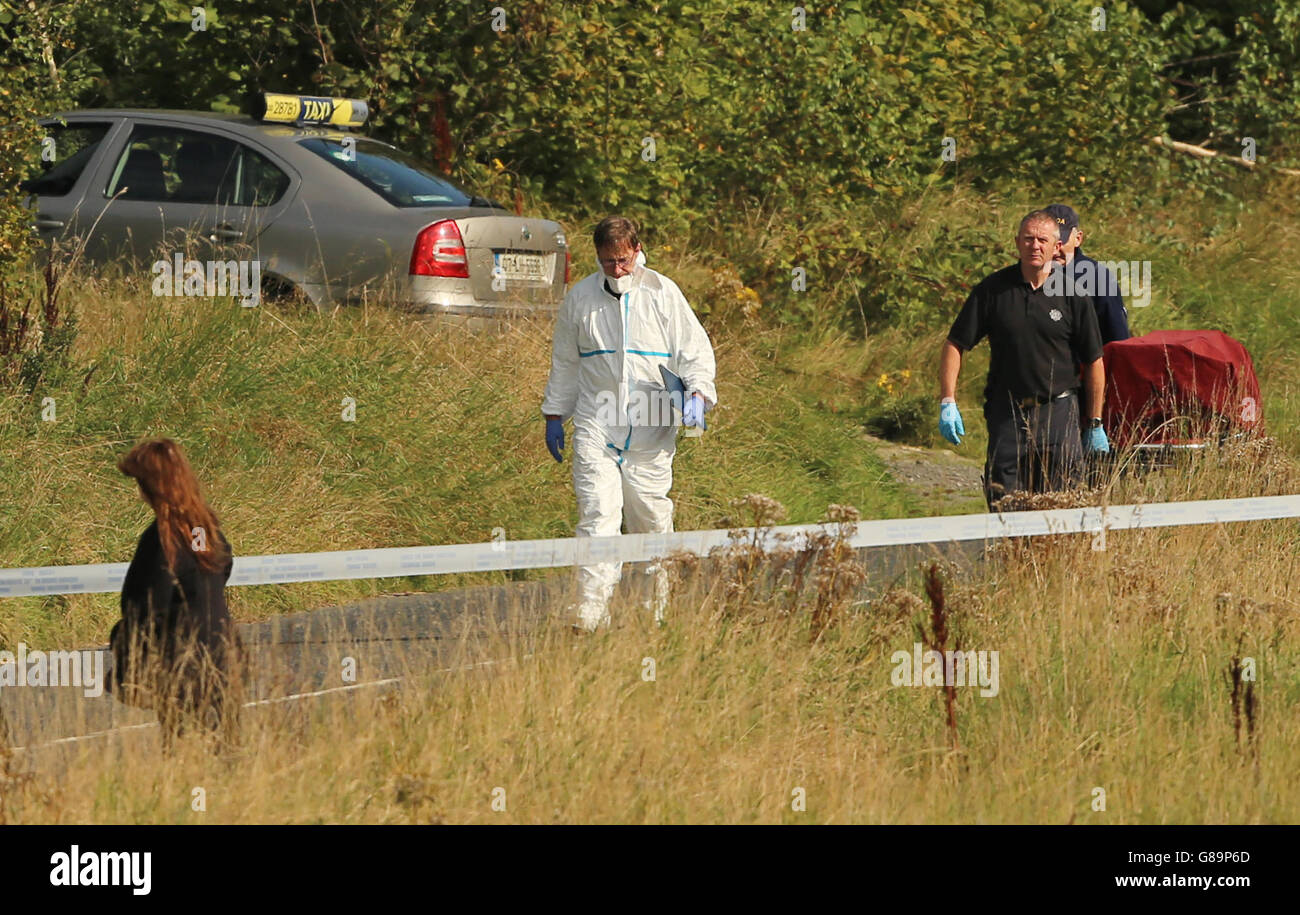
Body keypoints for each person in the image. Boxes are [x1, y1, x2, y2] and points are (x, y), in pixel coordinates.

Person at [542, 216, 717, 631]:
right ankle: (589, 613)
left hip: (652, 427)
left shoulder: (663, 293)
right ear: (597, 257)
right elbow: (565, 362)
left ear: (637, 251)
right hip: (596, 425)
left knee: (650, 519)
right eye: (607, 262)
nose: (617, 270)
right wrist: (554, 413)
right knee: (598, 514)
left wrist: (697, 393)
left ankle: (652, 612)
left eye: (623, 261)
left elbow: (694, 350)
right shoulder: (580, 299)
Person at [938, 209, 1110, 509]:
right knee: (1004, 501)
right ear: (1016, 242)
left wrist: (1094, 423)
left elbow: (1095, 361)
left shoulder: (1074, 294)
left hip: (1060, 411)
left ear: (1057, 247)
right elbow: (955, 344)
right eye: (1028, 239)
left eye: (1043, 240)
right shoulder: (993, 291)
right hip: (1007, 412)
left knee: (1063, 504)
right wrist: (948, 401)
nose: (1035, 246)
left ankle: (1056, 556)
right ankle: (1013, 555)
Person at [108, 437, 242, 739]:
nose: (139, 492)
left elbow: (148, 603)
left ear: (155, 485)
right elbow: (222, 568)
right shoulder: (204, 527)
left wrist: (122, 641)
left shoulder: (162, 539)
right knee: (230, 747)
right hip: (223, 651)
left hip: (181, 660)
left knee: (180, 749)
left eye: (141, 482)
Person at [1045, 203, 1130, 344]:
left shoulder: (1097, 277)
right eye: (1048, 240)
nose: (1055, 249)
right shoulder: (1027, 274)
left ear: (1078, 238)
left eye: (1061, 240)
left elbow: (1117, 338)